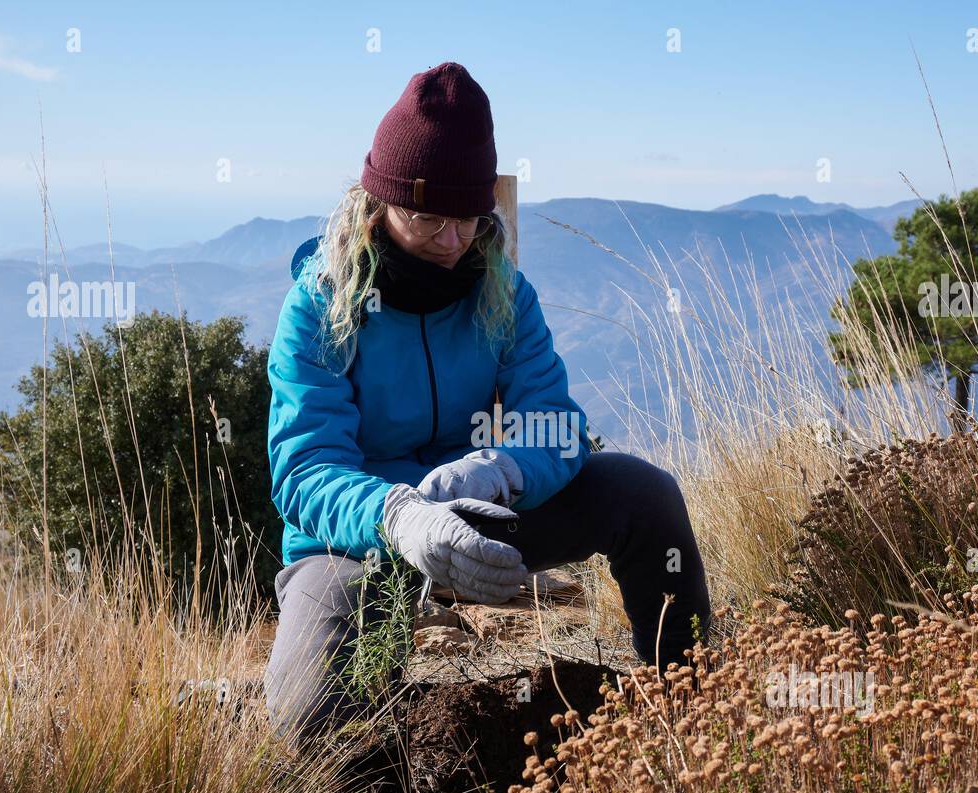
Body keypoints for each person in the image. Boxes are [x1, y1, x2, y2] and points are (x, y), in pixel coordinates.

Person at [264, 61, 711, 742]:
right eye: (428, 218)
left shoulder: (502, 291)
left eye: (469, 218)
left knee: (642, 494)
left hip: (484, 515)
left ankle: (698, 704)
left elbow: (557, 426)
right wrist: (400, 517)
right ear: (378, 203)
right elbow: (304, 471)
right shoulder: (320, 306)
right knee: (309, 726)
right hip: (359, 541)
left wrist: (503, 470)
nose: (452, 241)